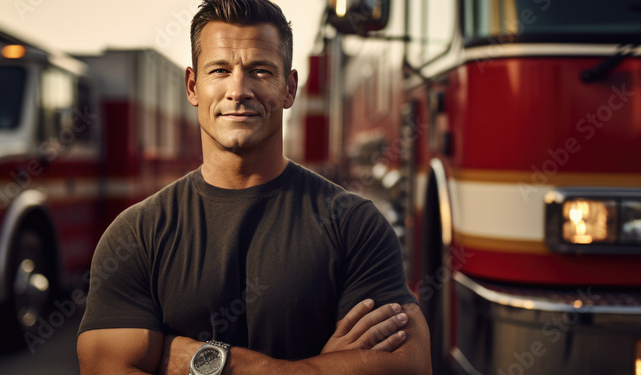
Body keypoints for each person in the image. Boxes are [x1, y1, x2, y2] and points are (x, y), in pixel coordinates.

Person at [76, 0, 431, 373]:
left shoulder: (354, 225)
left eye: (260, 71)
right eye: (220, 70)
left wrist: (208, 362)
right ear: (193, 86)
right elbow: (105, 368)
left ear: (289, 88)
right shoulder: (136, 235)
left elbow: (410, 366)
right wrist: (318, 368)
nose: (238, 90)